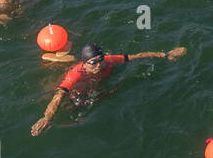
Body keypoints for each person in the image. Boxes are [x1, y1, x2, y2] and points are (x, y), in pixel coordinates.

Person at [31, 42, 186, 135]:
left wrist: (165, 54)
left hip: (98, 86)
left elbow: (136, 56)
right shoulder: (75, 74)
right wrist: (47, 118)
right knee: (74, 108)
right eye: (93, 62)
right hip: (76, 92)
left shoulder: (109, 61)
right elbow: (59, 95)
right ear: (84, 63)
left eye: (100, 59)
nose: (99, 64)